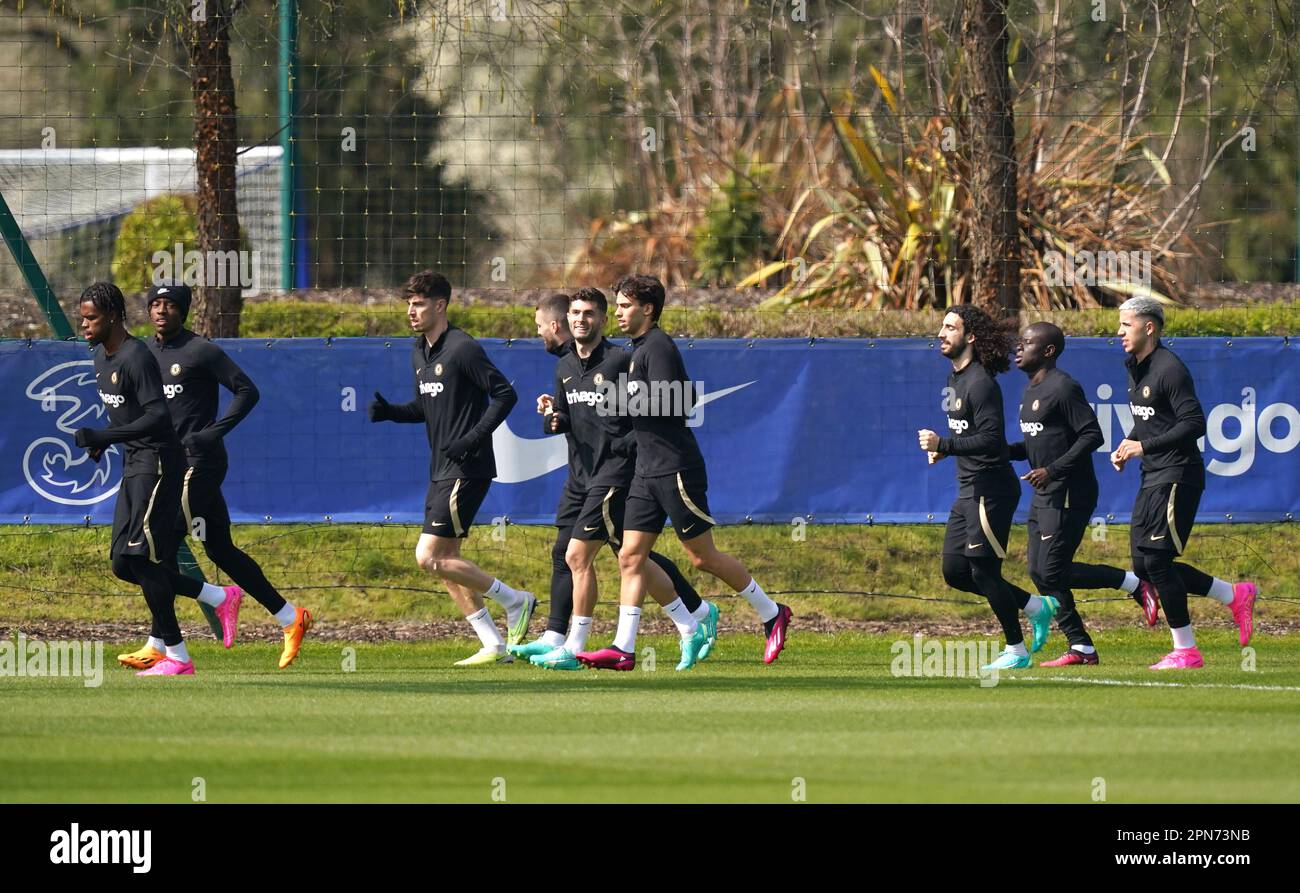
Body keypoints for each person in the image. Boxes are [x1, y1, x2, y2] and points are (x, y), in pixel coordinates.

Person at [577, 275, 792, 670]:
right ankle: (624, 649)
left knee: (701, 557)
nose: (619, 313)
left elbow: (676, 403)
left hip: (675, 468)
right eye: (618, 306)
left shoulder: (659, 347)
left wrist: (623, 401)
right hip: (646, 469)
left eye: (625, 306)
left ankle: (771, 613)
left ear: (647, 309)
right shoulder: (637, 350)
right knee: (630, 556)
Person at [515, 289, 716, 671]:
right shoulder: (565, 368)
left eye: (589, 313)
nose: (580, 320)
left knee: (578, 555)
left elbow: (652, 412)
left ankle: (572, 646)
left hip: (616, 474)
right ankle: (692, 620)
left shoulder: (622, 360)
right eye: (575, 312)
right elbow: (564, 417)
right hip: (581, 476)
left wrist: (625, 447)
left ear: (603, 320)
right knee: (627, 556)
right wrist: (552, 418)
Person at [368, 270, 535, 666]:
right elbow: (426, 408)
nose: (411, 311)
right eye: (408, 303)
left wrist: (473, 438)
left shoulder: (463, 348)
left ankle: (517, 601)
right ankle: (493, 644)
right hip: (441, 468)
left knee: (428, 556)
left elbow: (504, 394)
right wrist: (391, 412)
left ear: (440, 305)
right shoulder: (418, 352)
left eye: (420, 303)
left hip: (468, 467)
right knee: (448, 564)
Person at [73, 281, 240, 677]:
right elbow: (128, 415)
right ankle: (216, 595)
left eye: (91, 318)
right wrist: (105, 443)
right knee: (121, 564)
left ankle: (178, 657)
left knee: (139, 558)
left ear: (113, 316)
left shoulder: (137, 357)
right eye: (82, 318)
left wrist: (103, 436)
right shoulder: (102, 357)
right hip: (134, 465)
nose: (84, 325)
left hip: (161, 464)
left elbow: (158, 417)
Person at [145, 282, 312, 669]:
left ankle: (163, 648)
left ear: (183, 311)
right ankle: (290, 618)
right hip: (166, 464)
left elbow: (246, 391)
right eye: (156, 304)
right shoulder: (144, 352)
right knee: (219, 549)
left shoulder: (200, 350)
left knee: (162, 545)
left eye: (170, 305)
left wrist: (212, 432)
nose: (162, 310)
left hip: (201, 463)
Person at [1112, 297, 1256, 670]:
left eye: (1126, 325)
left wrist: (1143, 445)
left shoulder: (1170, 369)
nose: (1119, 332)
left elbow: (1193, 423)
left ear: (1149, 328)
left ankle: (1186, 651)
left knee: (1158, 560)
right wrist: (1129, 444)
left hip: (1179, 475)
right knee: (1143, 565)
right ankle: (1234, 594)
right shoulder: (1135, 366)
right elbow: (1151, 419)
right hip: (1152, 475)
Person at [918, 305, 1057, 671]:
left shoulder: (981, 383)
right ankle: (1035, 606)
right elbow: (970, 435)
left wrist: (944, 445)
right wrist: (945, 451)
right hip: (968, 489)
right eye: (942, 326)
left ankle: (1017, 650)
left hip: (991, 489)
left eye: (951, 327)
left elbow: (993, 440)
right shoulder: (954, 380)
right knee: (955, 571)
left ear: (970, 337)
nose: (941, 333)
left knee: (982, 570)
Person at [1010, 322, 1147, 666]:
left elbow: (1092, 435)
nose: (1018, 348)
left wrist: (1052, 470)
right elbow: (1032, 446)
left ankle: (1131, 585)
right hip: (1044, 493)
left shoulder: (1063, 387)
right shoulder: (1029, 391)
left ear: (1048, 351)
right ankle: (1082, 646)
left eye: (1026, 343)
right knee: (1039, 572)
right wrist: (983, 450)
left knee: (1052, 571)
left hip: (1071, 492)